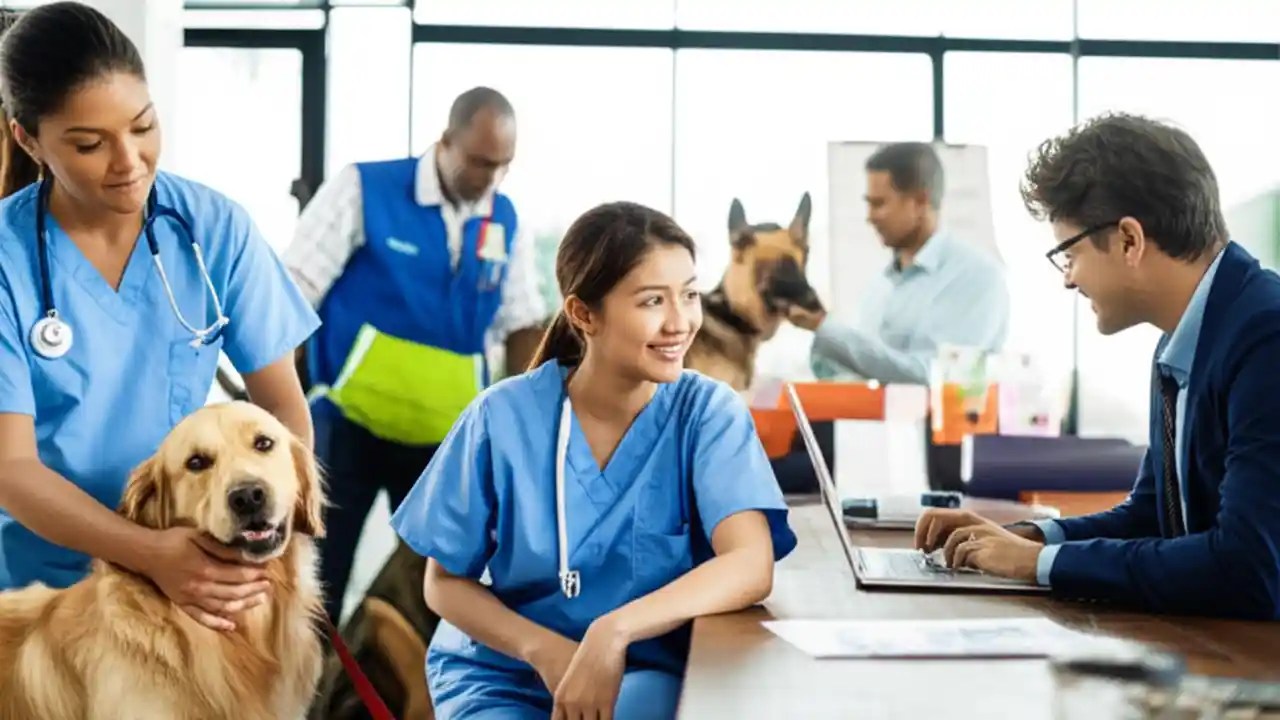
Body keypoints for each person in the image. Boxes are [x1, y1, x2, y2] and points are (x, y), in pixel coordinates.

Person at [390, 201, 798, 719]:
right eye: (653, 301)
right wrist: (544, 650)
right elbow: (444, 583)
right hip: (504, 673)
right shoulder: (502, 417)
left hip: (639, 668)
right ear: (584, 313)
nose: (681, 322)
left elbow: (749, 563)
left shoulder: (708, 414)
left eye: (690, 295)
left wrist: (613, 630)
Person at [0, 2, 319, 631]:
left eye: (143, 126)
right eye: (89, 144)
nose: (129, 162)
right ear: (28, 139)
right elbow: (10, 469)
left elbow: (283, 412)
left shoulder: (211, 228)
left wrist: (266, 530)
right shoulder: (7, 263)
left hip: (191, 576)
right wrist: (147, 552)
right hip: (36, 592)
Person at [915, 112, 1280, 621]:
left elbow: (1249, 567)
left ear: (1129, 240)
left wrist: (1041, 563)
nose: (1068, 280)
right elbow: (1155, 515)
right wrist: (1029, 538)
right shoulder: (1180, 343)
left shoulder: (1266, 334)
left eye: (1070, 253)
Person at [282, 86, 548, 623]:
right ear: (445, 142)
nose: (490, 179)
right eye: (479, 162)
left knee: (439, 595)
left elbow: (521, 322)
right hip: (347, 428)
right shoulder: (365, 188)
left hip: (444, 445)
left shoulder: (505, 220)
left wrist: (529, 426)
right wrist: (274, 406)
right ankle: (303, 702)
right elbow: (292, 290)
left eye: (504, 166)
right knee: (317, 583)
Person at [786, 141, 1010, 384]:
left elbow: (937, 378)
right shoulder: (880, 285)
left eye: (879, 203)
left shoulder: (976, 278)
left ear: (920, 202)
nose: (869, 217)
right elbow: (868, 377)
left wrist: (827, 330)